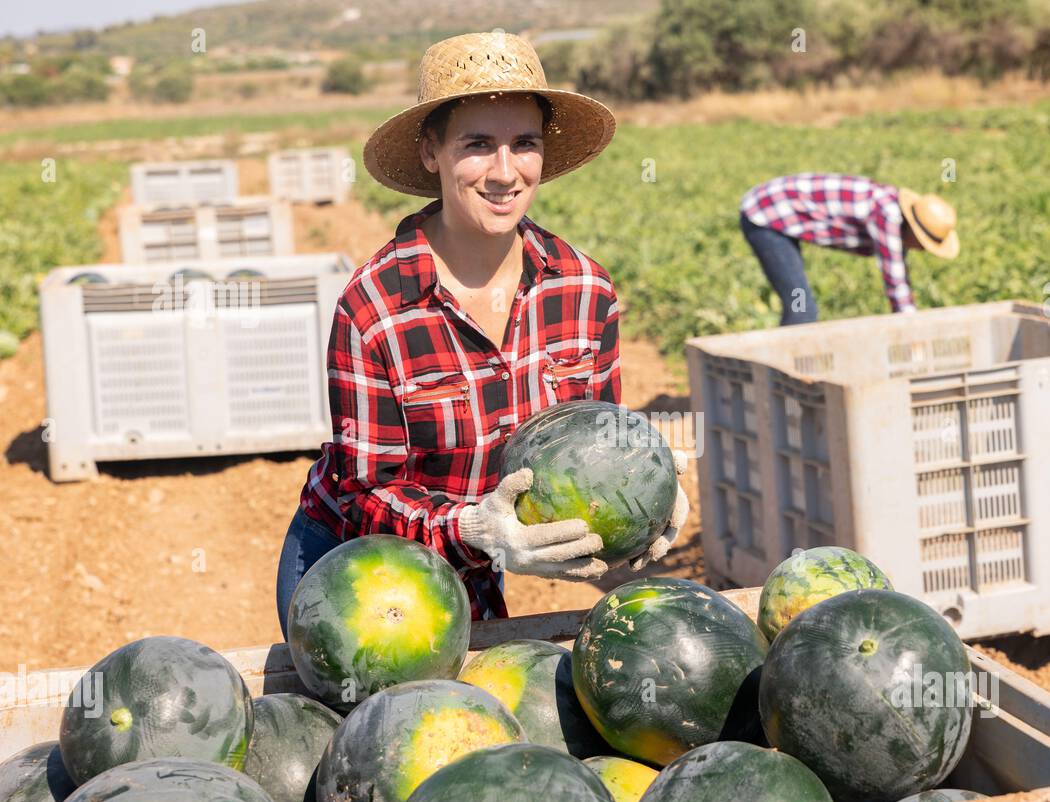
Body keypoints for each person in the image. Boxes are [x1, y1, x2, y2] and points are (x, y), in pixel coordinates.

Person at [275, 32, 688, 637]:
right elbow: (368, 492)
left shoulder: (582, 289)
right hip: (360, 571)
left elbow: (597, 446)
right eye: (477, 144)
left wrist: (647, 497)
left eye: (524, 144)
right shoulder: (376, 307)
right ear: (430, 152)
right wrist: (476, 530)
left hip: (482, 564)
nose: (504, 172)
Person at [739, 174, 959, 325]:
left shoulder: (895, 214)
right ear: (913, 229)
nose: (920, 250)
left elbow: (900, 280)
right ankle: (782, 382)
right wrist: (915, 338)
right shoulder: (888, 216)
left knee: (802, 306)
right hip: (766, 214)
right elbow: (897, 288)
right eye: (923, 244)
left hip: (781, 213)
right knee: (801, 307)